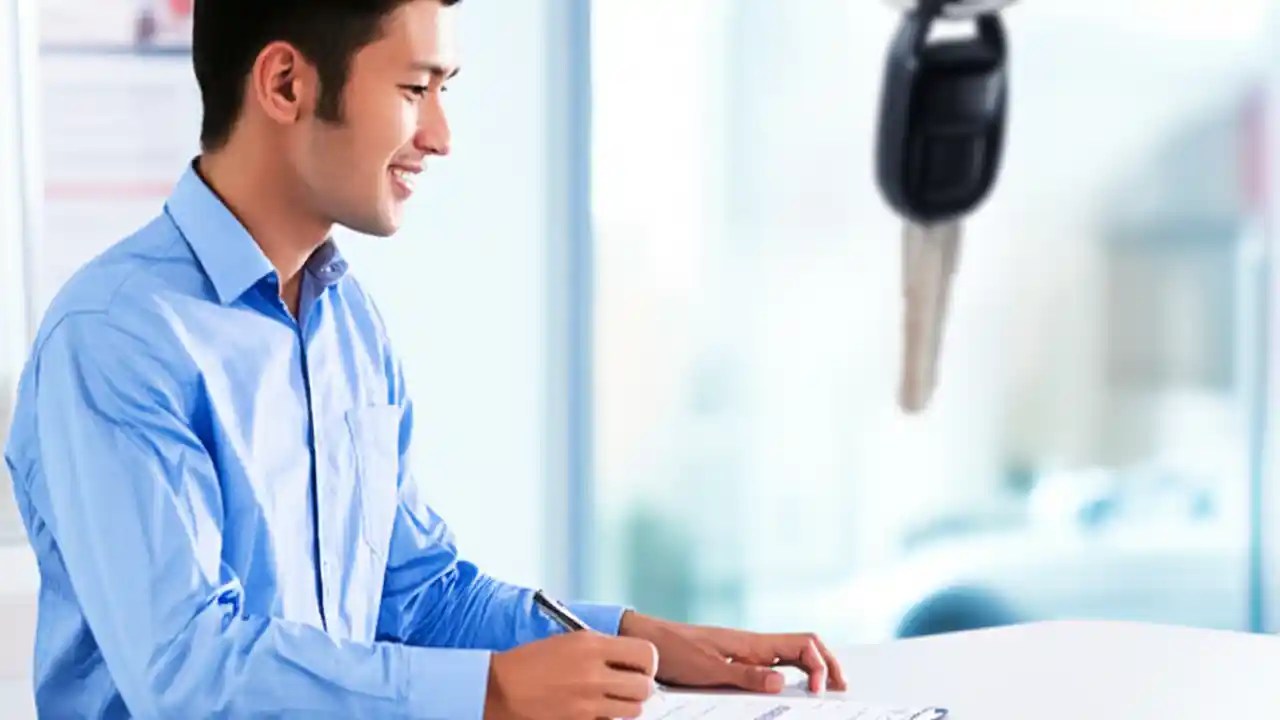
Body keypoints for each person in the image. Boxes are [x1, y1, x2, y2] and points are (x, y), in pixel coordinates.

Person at [4, 1, 849, 717]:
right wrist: (490, 692)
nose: (440, 136)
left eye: (444, 92)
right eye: (415, 90)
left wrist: (639, 642)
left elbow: (416, 595)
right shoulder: (117, 338)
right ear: (286, 84)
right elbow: (187, 670)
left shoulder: (349, 327)